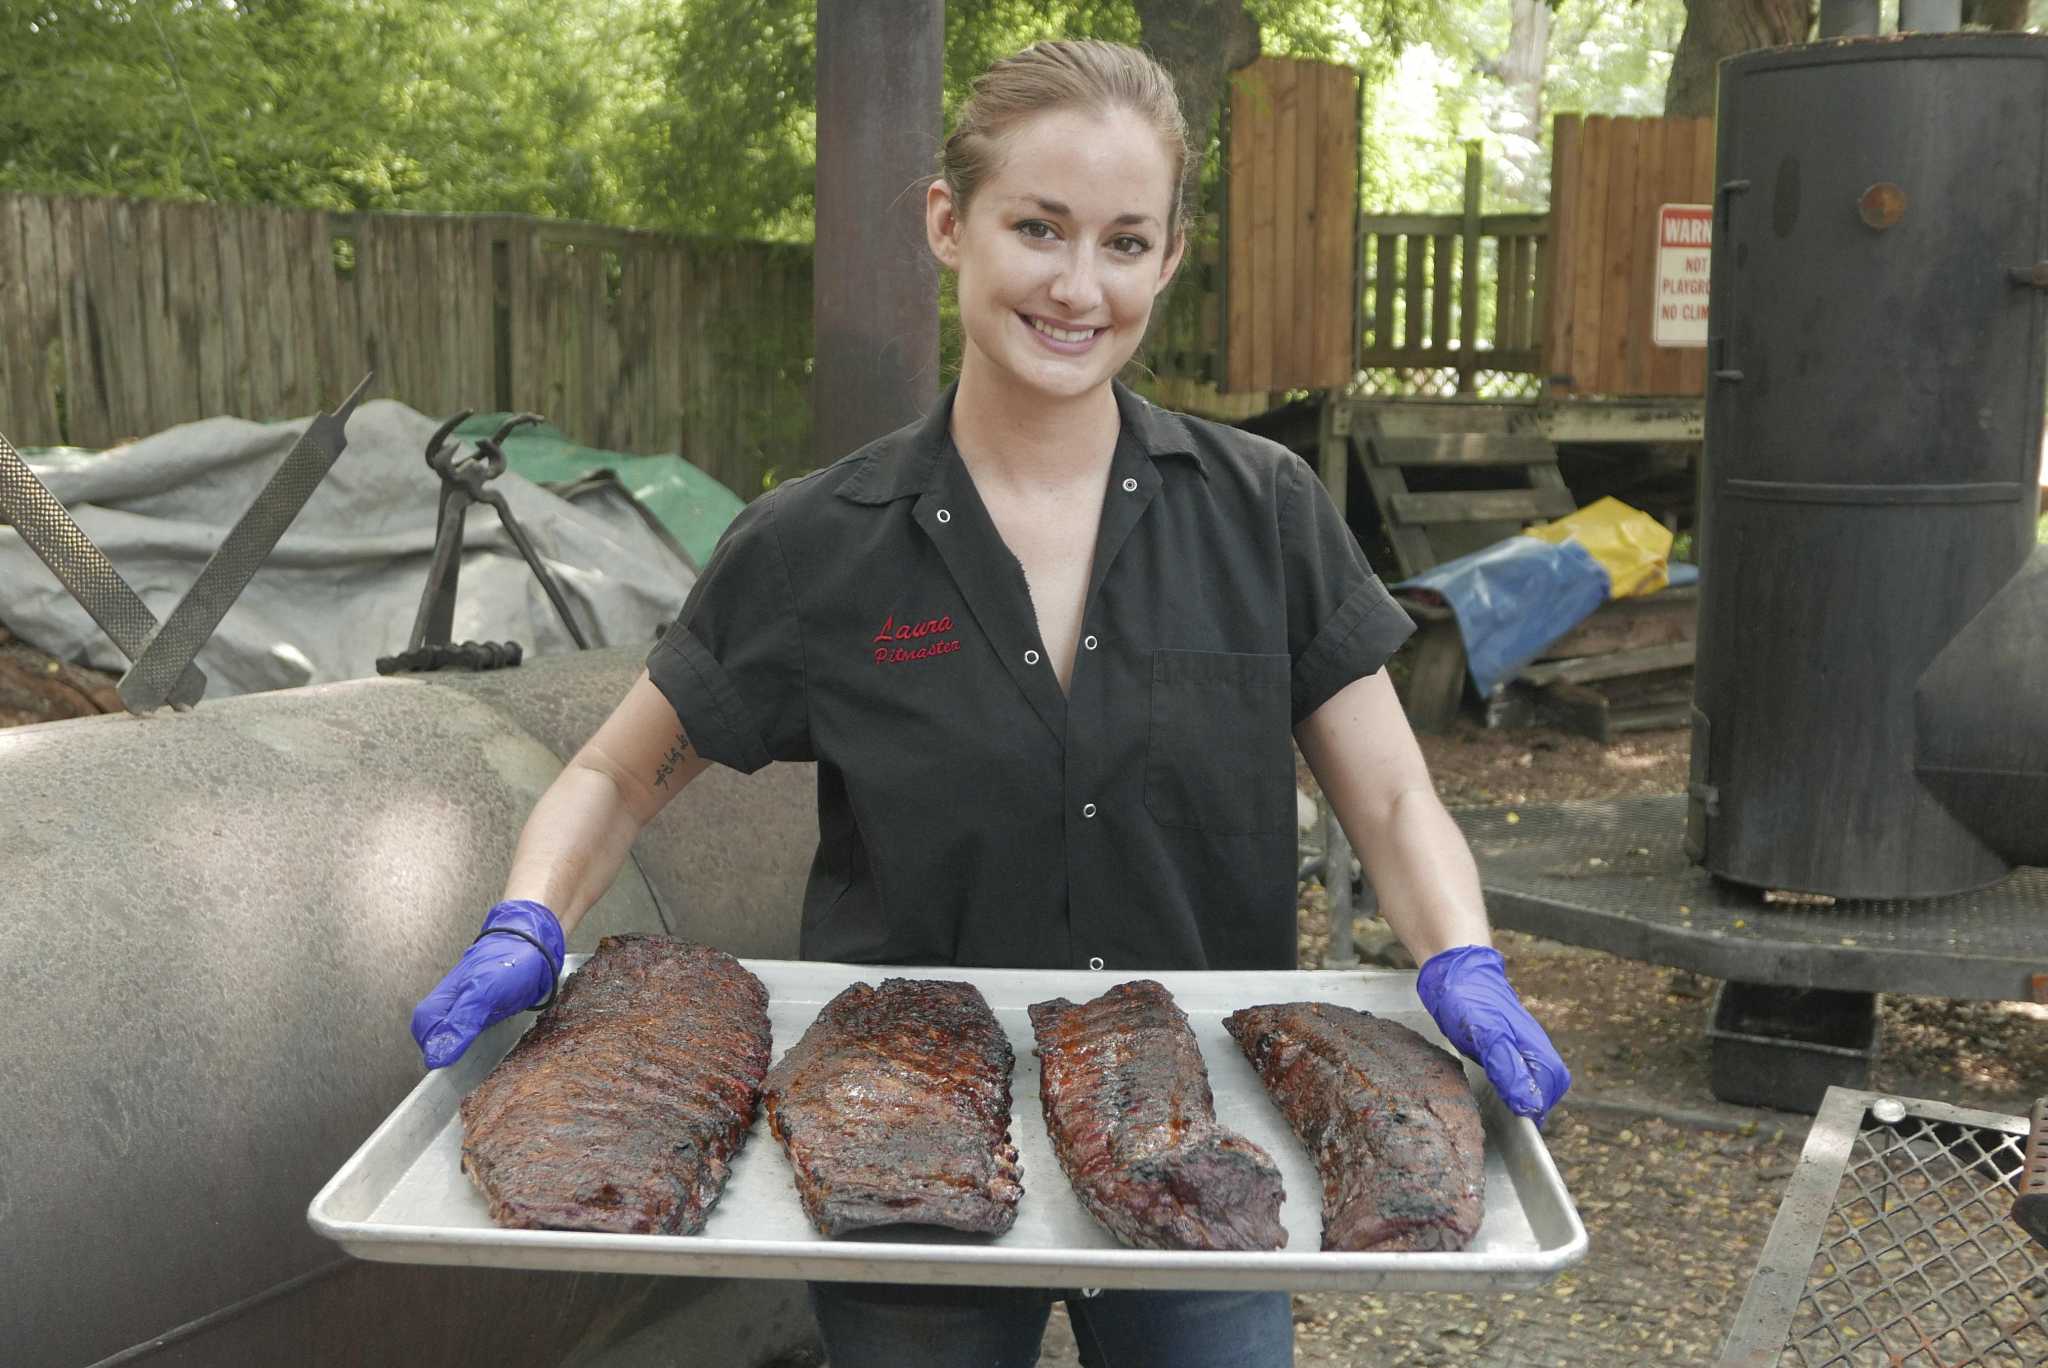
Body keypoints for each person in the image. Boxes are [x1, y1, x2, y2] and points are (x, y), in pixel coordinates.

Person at [410, 38, 1569, 1368]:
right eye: (1040, 228)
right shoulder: (818, 546)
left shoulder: (1265, 515)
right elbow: (617, 774)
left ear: (1170, 257)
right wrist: (528, 918)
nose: (1080, 286)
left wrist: (1463, 961)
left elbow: (1394, 795)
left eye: (1126, 243)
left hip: (1198, 1142)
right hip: (905, 1148)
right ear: (949, 225)